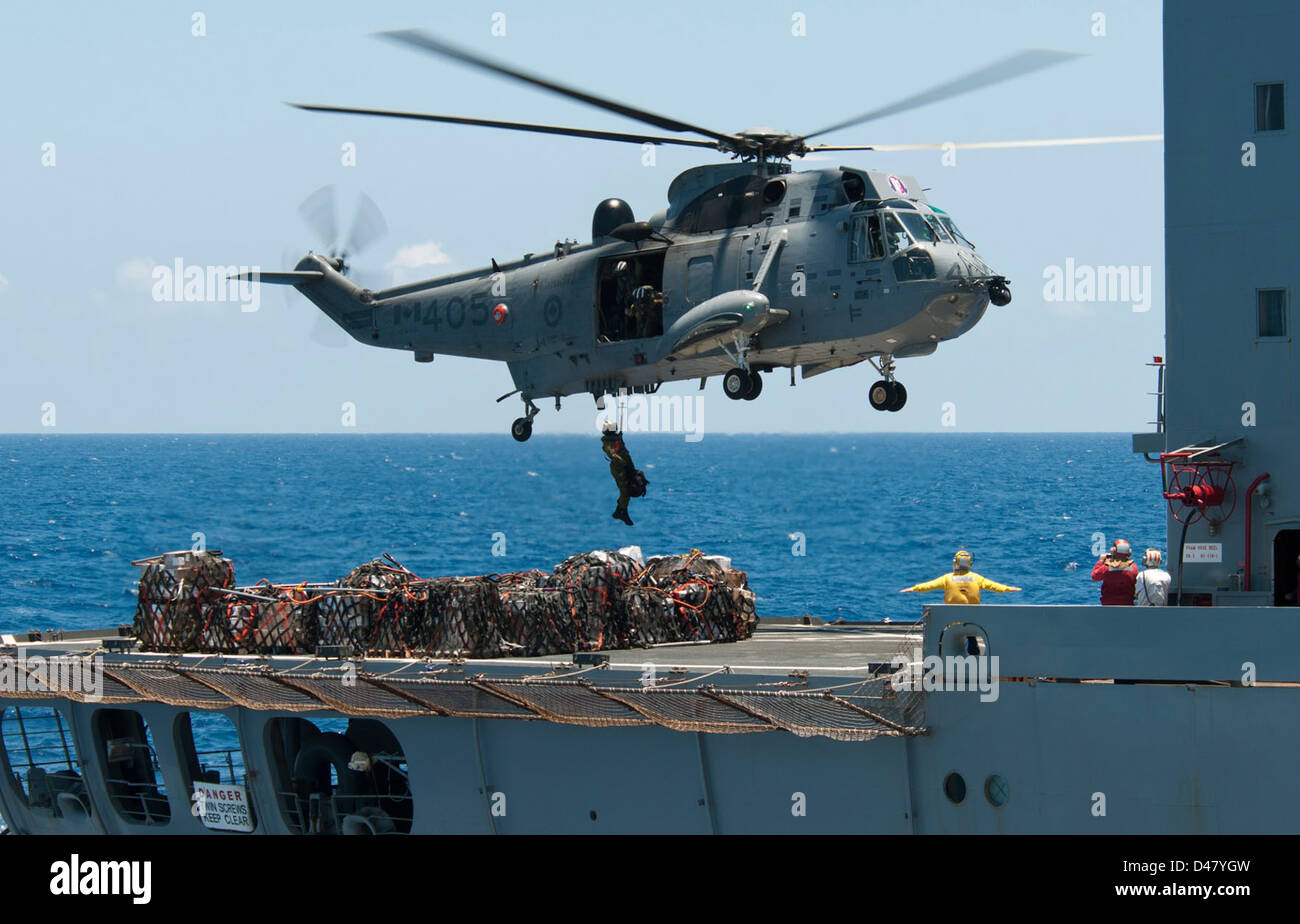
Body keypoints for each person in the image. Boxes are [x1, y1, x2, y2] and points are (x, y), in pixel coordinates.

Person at [899, 549, 1022, 604]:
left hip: (952, 620)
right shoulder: (976, 578)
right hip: (972, 620)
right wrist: (1007, 588)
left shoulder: (947, 578)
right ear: (969, 563)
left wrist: (914, 588)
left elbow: (929, 585)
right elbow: (993, 586)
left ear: (955, 562)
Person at [601, 422, 645, 525]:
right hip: (619, 468)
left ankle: (620, 511)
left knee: (630, 487)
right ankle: (622, 512)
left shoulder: (615, 440)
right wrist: (623, 463)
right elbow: (613, 454)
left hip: (626, 466)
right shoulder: (608, 443)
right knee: (625, 491)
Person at [1091, 539, 1138, 605]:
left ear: (1113, 550)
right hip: (1127, 604)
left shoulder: (1106, 568)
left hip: (1108, 604)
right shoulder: (1133, 568)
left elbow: (1095, 576)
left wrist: (1101, 561)